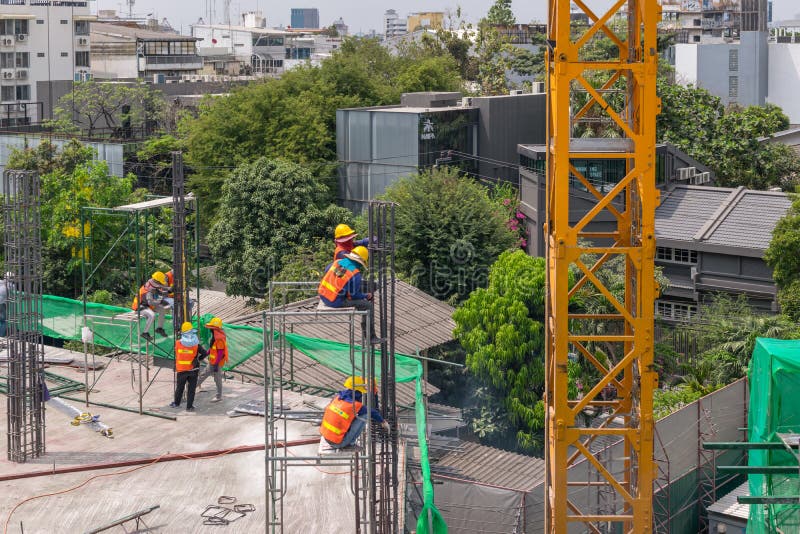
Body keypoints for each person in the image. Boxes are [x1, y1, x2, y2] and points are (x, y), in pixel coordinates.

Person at [317, 246, 378, 344]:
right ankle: (370, 337)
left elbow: (328, 271)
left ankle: (370, 336)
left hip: (323, 294)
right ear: (361, 262)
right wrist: (366, 296)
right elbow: (353, 296)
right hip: (334, 301)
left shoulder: (337, 262)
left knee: (356, 287)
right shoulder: (355, 274)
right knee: (368, 305)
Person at [320, 376, 390, 449]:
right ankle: (351, 443)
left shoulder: (338, 398)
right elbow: (372, 411)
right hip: (338, 443)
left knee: (354, 416)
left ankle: (348, 441)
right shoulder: (353, 405)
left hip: (326, 437)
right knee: (365, 415)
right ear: (358, 392)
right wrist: (383, 422)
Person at [170, 321, 207, 412]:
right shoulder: (196, 344)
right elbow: (205, 353)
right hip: (193, 370)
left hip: (181, 370)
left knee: (179, 388)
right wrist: (198, 359)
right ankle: (189, 407)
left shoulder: (178, 343)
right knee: (191, 389)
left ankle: (176, 403)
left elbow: (178, 352)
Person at [132, 271, 172, 342]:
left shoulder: (153, 284)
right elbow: (150, 302)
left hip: (148, 305)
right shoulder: (148, 290)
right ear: (157, 281)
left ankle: (159, 328)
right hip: (140, 306)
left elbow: (160, 288)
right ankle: (145, 333)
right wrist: (160, 301)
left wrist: (169, 289)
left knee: (162, 310)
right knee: (152, 315)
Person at [197, 316, 228, 403]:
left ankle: (218, 396)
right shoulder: (215, 338)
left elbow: (220, 353)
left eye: (211, 328)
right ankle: (191, 390)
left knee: (214, 378)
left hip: (216, 363)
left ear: (215, 329)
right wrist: (205, 355)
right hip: (213, 362)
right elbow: (212, 349)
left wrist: (215, 365)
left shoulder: (220, 339)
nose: (210, 330)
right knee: (206, 376)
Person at [0, 272, 13, 337]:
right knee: (4, 321)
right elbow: (12, 296)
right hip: (2, 304)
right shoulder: (11, 285)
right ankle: (1, 336)